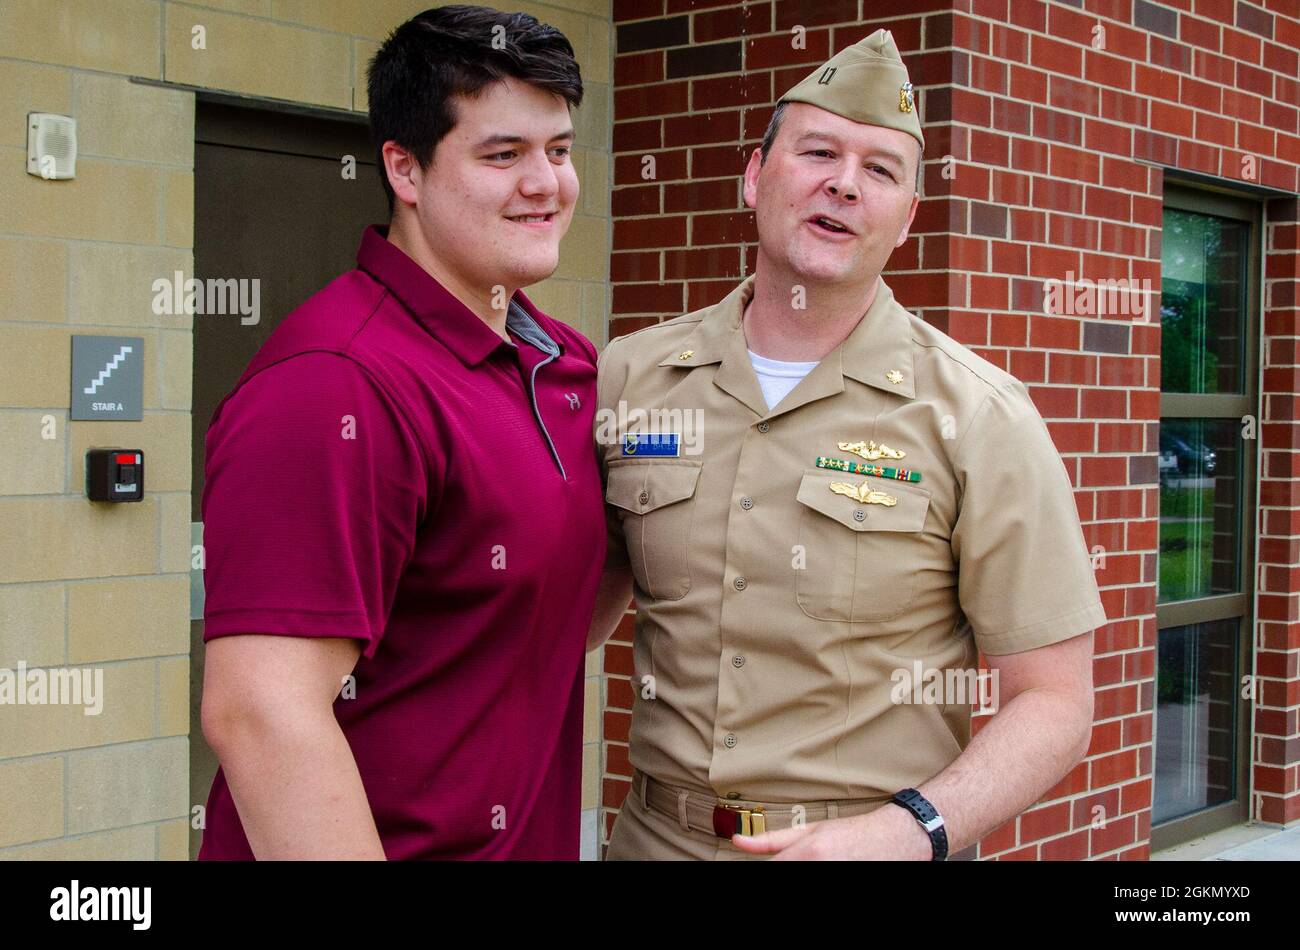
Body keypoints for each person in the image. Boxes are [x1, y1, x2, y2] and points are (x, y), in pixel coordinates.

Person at [588, 29, 1107, 860]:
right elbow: (568, 609)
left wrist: (911, 833)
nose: (843, 184)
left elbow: (1051, 700)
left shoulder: (979, 415)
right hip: (656, 840)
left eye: (880, 170)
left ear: (907, 218)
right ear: (755, 177)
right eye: (818, 152)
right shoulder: (633, 375)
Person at [197, 5, 603, 860]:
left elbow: (531, 619)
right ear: (403, 169)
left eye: (558, 151)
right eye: (503, 155)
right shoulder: (334, 382)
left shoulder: (565, 366)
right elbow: (261, 714)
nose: (547, 184)